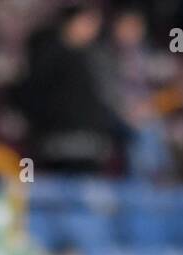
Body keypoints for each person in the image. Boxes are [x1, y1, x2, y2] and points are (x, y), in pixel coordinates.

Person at [13, 3, 135, 174]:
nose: (92, 28)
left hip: (91, 144)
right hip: (52, 141)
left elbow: (109, 99)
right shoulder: (44, 50)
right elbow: (29, 95)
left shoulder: (98, 57)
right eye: (87, 22)